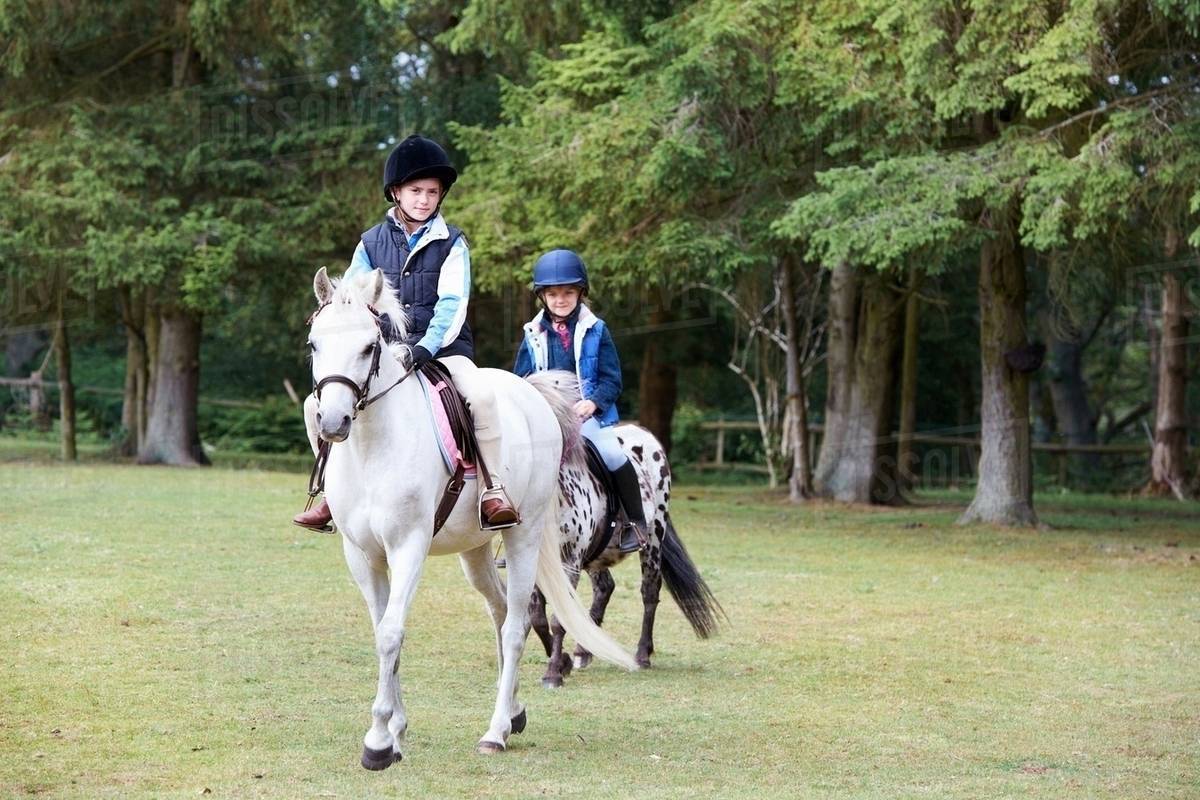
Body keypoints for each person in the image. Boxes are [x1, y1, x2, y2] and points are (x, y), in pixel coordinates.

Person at [293, 134, 518, 531]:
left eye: (432, 192)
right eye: (416, 190)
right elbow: (355, 302)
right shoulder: (370, 243)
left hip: (444, 351)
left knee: (481, 397)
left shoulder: (453, 243)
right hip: (384, 354)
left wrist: (423, 349)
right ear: (396, 192)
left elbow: (453, 306)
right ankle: (330, 492)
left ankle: (492, 489)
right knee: (316, 406)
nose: (424, 199)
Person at [512, 249, 646, 553]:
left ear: (580, 293)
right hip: (546, 416)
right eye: (554, 293)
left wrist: (593, 403)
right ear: (543, 296)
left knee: (612, 454)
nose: (561, 300)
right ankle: (515, 534)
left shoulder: (596, 330)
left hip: (586, 414)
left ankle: (635, 523)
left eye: (568, 293)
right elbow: (521, 379)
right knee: (519, 460)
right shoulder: (532, 334)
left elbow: (612, 379)